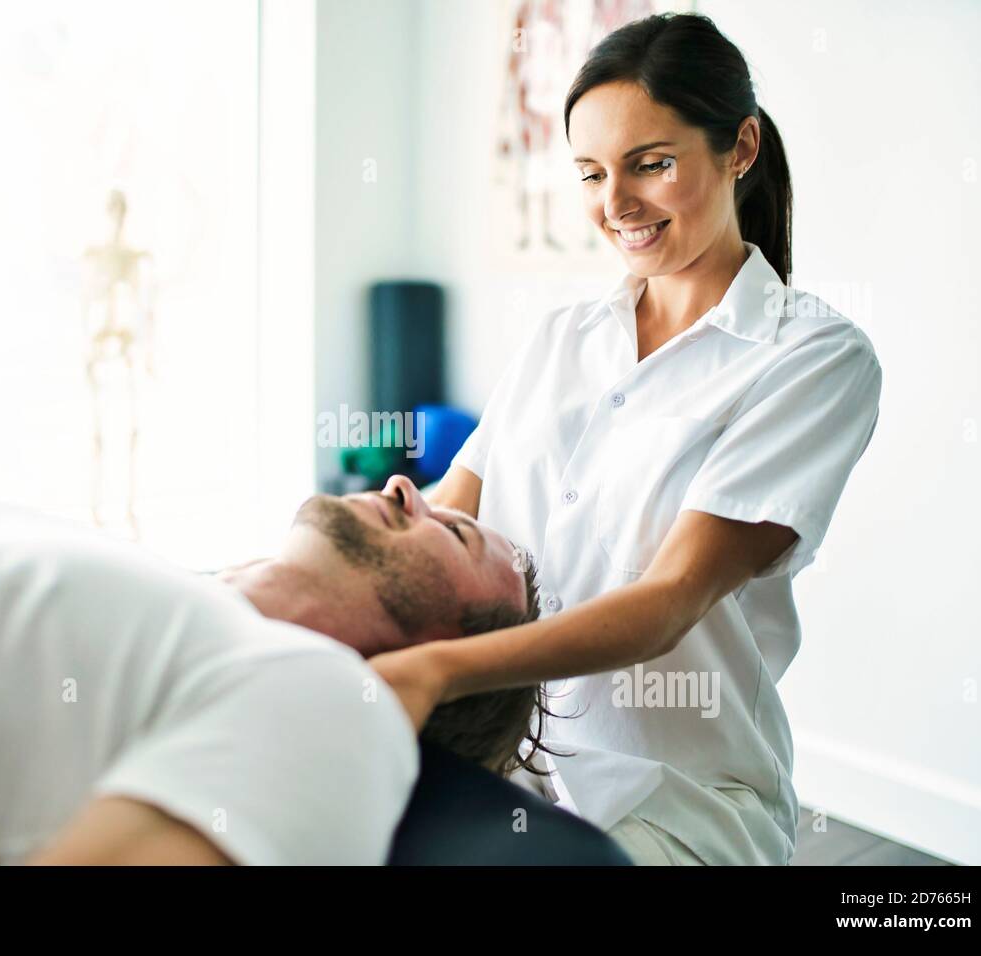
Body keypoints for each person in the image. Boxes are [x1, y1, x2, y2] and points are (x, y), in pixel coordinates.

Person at [370, 13, 883, 866]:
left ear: (741, 148)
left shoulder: (815, 359)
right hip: (513, 771)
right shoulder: (558, 339)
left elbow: (672, 597)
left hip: (679, 803)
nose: (615, 206)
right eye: (590, 173)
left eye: (651, 164)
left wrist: (438, 674)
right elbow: (444, 525)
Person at [0, 477, 541, 865]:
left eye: (458, 532)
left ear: (451, 650)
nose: (409, 487)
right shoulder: (174, 604)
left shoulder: (329, 702)